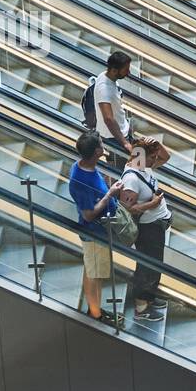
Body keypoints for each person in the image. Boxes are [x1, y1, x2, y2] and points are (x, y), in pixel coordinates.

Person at [68, 131, 125, 326]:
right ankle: (95, 314)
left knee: (93, 271)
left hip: (99, 232)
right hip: (94, 233)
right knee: (95, 274)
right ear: (95, 152)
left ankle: (96, 308)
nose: (104, 147)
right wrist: (110, 194)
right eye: (101, 145)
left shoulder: (86, 167)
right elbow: (88, 214)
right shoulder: (80, 179)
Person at [120, 139, 172, 323]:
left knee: (155, 264)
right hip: (148, 228)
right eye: (153, 157)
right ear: (143, 156)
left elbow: (166, 157)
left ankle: (150, 296)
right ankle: (141, 308)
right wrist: (153, 204)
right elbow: (127, 207)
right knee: (147, 266)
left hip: (156, 224)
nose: (155, 160)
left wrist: (157, 144)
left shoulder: (142, 164)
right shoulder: (131, 179)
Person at [93, 51, 136, 168]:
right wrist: (125, 143)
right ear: (114, 70)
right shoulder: (104, 89)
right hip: (115, 137)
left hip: (122, 130)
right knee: (123, 170)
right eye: (125, 69)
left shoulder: (106, 76)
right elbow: (108, 119)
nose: (128, 72)